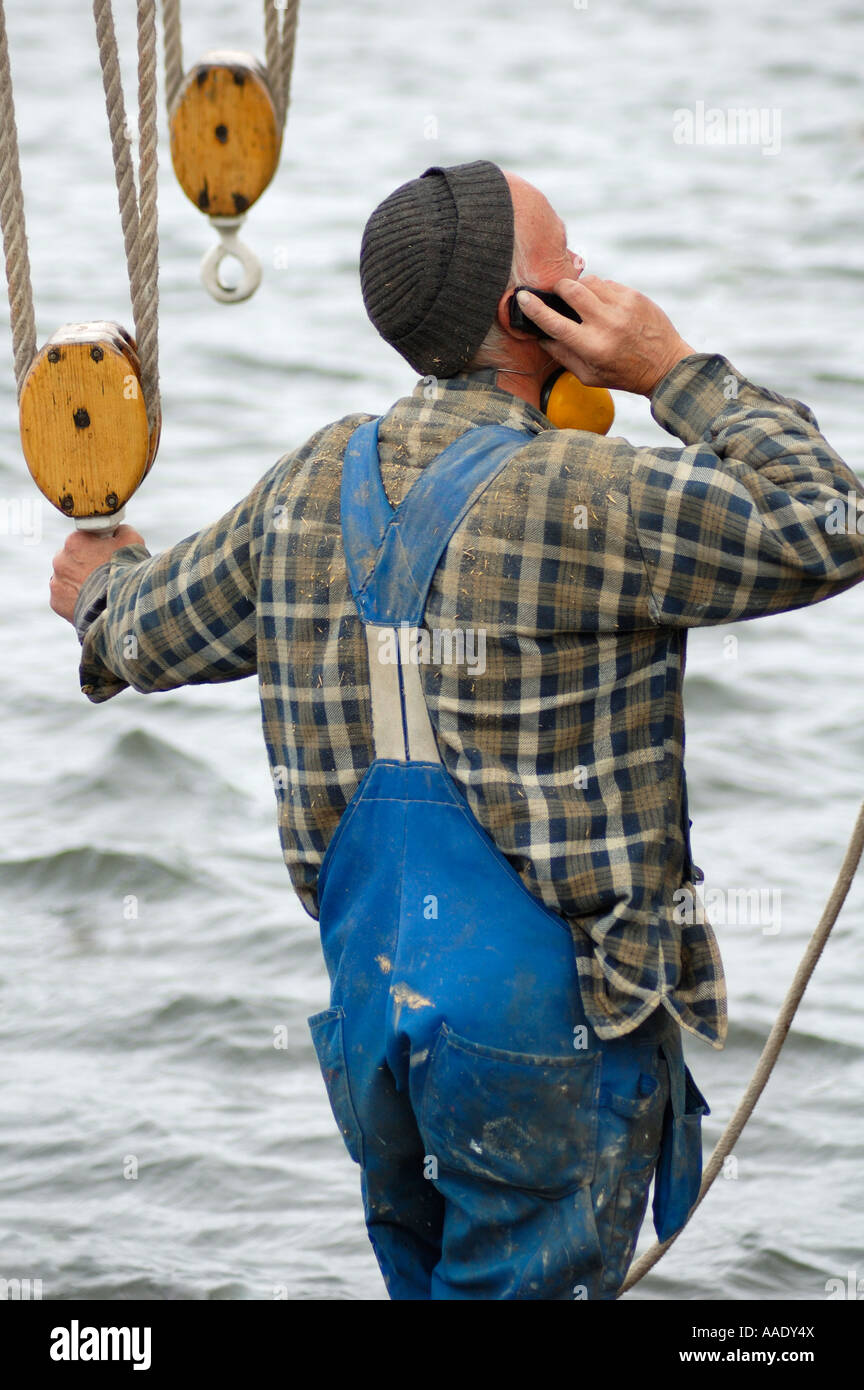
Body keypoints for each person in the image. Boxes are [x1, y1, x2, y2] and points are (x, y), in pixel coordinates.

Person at [50, 160, 864, 1301]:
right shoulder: (593, 493)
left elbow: (138, 634)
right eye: (567, 260)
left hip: (378, 1025)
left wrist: (99, 582)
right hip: (548, 1039)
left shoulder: (310, 481)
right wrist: (672, 369)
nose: (589, 274)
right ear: (524, 315)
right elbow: (831, 520)